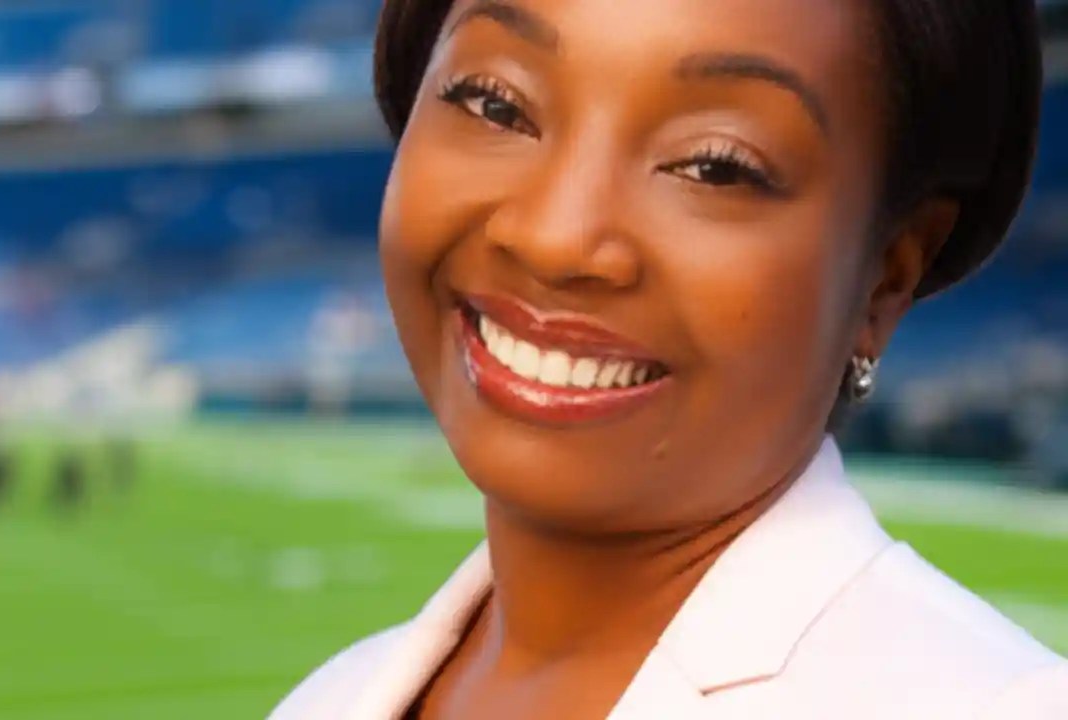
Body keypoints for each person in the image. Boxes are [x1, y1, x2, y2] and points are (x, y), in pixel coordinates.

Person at [272, 0, 1067, 718]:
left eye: (715, 166)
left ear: (887, 276)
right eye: (495, 103)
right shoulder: (329, 697)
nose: (557, 238)